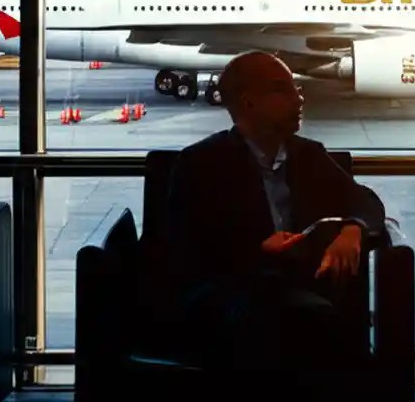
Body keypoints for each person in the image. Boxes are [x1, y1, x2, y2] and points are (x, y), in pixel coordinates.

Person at [165, 51, 386, 397]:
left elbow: (366, 201)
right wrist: (258, 252)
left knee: (294, 317)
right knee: (277, 318)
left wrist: (352, 229)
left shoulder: (308, 155)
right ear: (249, 103)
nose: (299, 99)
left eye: (296, 89)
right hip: (232, 290)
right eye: (283, 90)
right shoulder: (201, 164)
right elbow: (182, 250)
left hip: (296, 287)